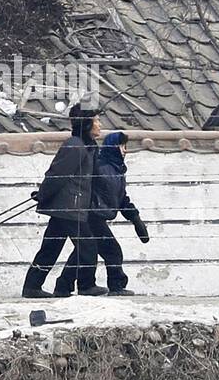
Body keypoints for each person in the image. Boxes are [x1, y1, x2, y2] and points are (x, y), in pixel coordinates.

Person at [22, 105, 104, 298]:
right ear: (86, 124)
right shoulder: (75, 146)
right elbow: (57, 174)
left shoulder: (86, 146)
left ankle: (32, 287)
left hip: (69, 207)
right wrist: (42, 194)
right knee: (88, 245)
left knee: (51, 248)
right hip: (69, 207)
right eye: (97, 120)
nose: (100, 124)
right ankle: (86, 285)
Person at [58, 131, 150, 296]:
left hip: (97, 216)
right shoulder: (98, 167)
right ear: (113, 147)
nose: (125, 150)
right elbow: (81, 185)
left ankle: (63, 286)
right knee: (111, 251)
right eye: (122, 146)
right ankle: (115, 286)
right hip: (91, 215)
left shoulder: (117, 171)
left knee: (82, 252)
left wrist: (135, 219)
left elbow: (121, 199)